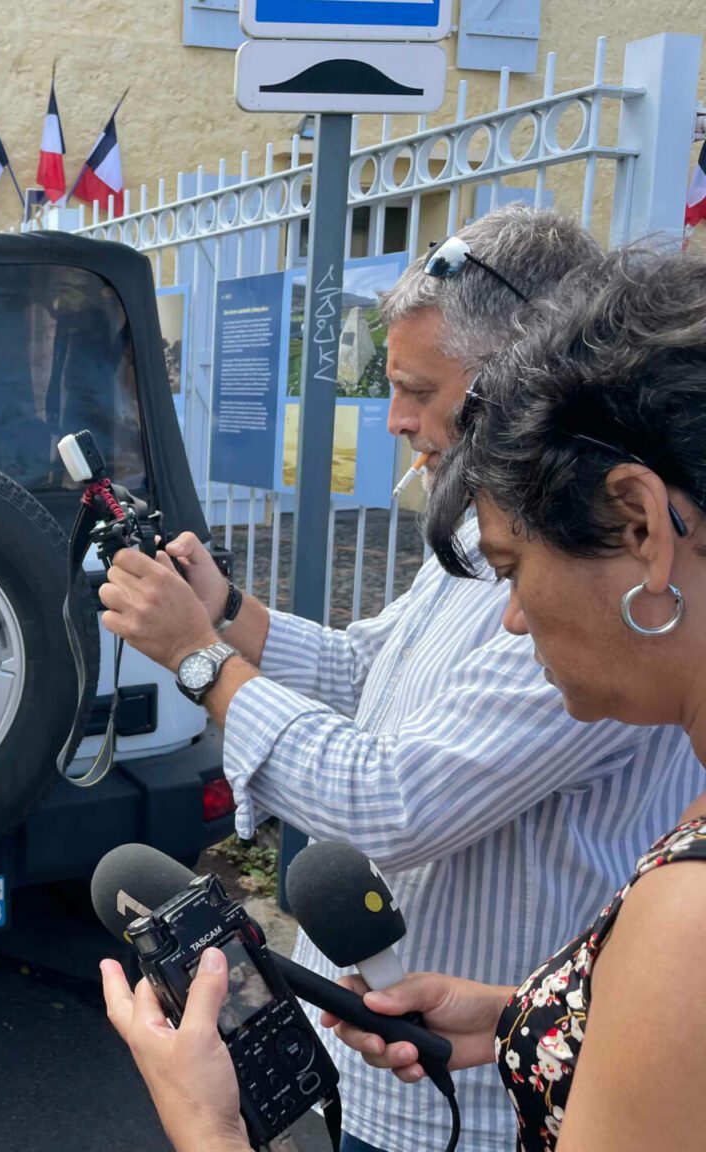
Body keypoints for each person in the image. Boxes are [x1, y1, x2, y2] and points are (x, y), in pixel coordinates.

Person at [96, 206, 702, 1152]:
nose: (395, 421)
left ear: (639, 528)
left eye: (419, 390)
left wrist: (205, 1129)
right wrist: (226, 616)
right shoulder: (499, 534)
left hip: (481, 1121)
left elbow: (394, 794)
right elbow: (371, 668)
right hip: (436, 1055)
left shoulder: (686, 911)